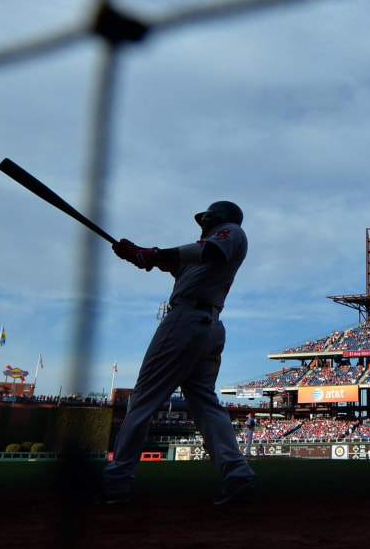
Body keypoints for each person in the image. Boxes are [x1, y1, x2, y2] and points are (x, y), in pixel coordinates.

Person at [102, 201, 256, 505]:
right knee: (205, 404)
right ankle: (237, 475)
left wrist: (153, 254)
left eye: (206, 217)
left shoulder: (231, 232)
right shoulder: (203, 252)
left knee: (144, 398)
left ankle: (116, 481)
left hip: (186, 321)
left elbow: (203, 251)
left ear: (216, 218)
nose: (203, 221)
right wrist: (138, 253)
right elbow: (172, 263)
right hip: (205, 326)